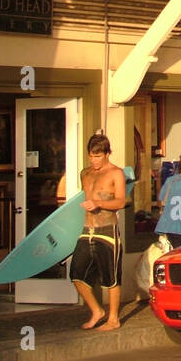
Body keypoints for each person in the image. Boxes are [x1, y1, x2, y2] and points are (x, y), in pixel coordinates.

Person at [71, 131, 127, 331]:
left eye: (98, 156)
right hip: (87, 229)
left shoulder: (116, 173)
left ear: (107, 154)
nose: (94, 160)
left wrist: (99, 203)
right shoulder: (85, 173)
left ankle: (113, 319)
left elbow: (121, 201)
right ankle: (97, 311)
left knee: (111, 277)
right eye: (91, 156)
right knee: (76, 275)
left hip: (107, 230)